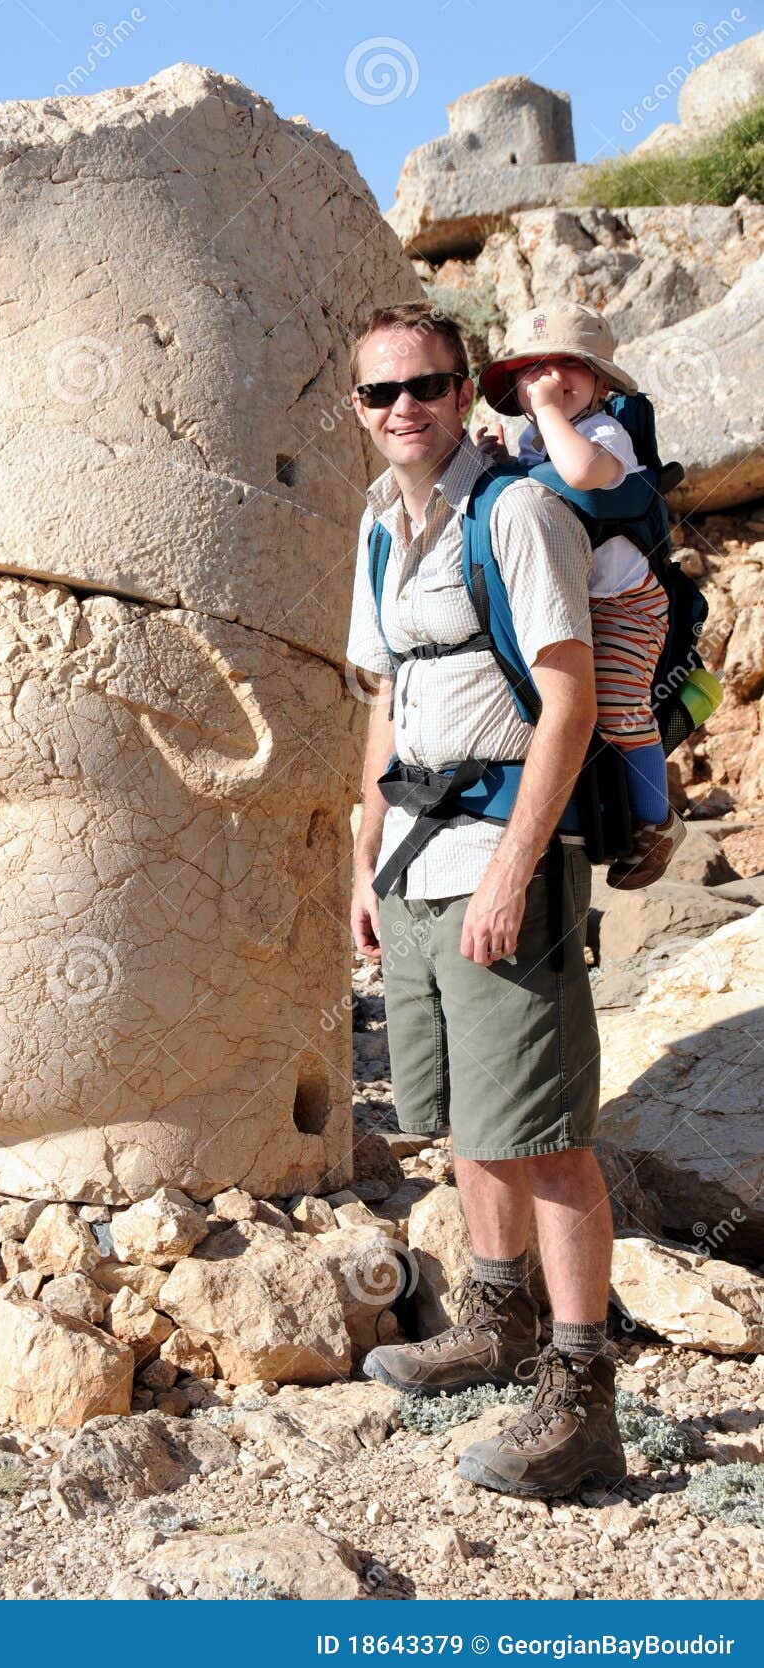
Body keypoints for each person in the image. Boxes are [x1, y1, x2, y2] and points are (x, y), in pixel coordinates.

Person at [346, 300, 627, 1499]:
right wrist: (363, 860)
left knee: (546, 1129)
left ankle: (582, 1397)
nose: (403, 407)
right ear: (358, 411)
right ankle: (495, 1317)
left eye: (426, 385)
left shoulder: (516, 513)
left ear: (466, 394)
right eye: (379, 393)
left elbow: (568, 703)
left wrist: (516, 866)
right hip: (413, 867)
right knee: (464, 1115)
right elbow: (384, 700)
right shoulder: (377, 526)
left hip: (504, 861)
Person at [476, 301, 685, 889]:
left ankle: (658, 819)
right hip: (577, 605)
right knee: (570, 715)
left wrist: (543, 414)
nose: (548, 379)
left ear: (599, 380)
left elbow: (578, 475)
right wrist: (497, 460)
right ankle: (609, 815)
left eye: (567, 365)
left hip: (626, 600)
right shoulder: (537, 440)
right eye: (531, 370)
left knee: (617, 705)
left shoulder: (602, 431)